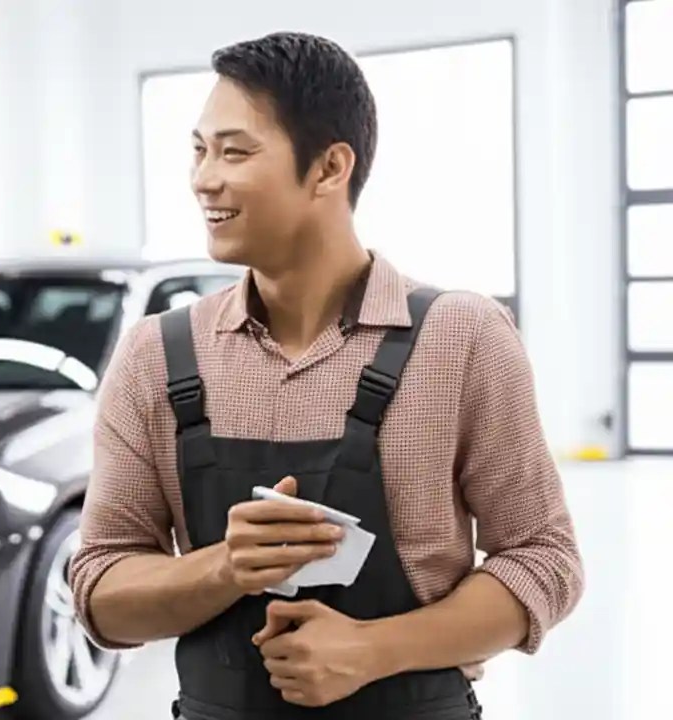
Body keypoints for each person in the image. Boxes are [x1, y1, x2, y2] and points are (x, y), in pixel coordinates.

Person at [69, 31, 584, 720]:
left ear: (329, 168)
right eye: (198, 150)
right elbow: (101, 589)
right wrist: (225, 566)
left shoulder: (461, 336)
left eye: (235, 151)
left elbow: (543, 559)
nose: (203, 178)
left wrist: (375, 649)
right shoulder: (155, 356)